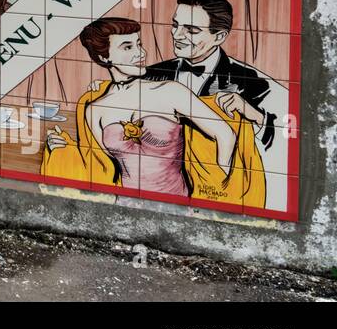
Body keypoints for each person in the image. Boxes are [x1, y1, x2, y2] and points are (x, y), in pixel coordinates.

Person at [42, 17, 265, 207]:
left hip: (176, 204)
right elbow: (100, 166)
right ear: (104, 57)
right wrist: (63, 150)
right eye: (127, 47)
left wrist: (218, 183)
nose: (141, 53)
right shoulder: (95, 109)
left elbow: (225, 135)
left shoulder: (169, 91)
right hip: (124, 204)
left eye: (139, 44)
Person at [144, 0, 286, 177]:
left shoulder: (251, 82)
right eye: (175, 25)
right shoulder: (151, 75)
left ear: (219, 37)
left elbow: (278, 147)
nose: (177, 35)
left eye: (192, 30)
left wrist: (256, 116)